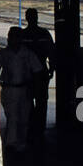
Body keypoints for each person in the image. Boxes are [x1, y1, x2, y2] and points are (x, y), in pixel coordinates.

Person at [0, 26, 43, 153]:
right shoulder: (3, 54)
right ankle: (11, 144)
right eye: (11, 37)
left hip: (25, 89)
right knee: (12, 117)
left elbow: (37, 71)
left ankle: (22, 143)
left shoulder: (27, 54)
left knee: (24, 118)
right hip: (9, 89)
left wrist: (35, 89)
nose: (12, 40)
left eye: (15, 37)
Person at [22, 8, 54, 147]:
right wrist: (52, 68)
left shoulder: (23, 34)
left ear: (26, 18)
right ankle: (39, 128)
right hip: (40, 71)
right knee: (41, 102)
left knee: (29, 101)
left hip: (28, 73)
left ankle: (31, 128)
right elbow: (52, 53)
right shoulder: (44, 33)